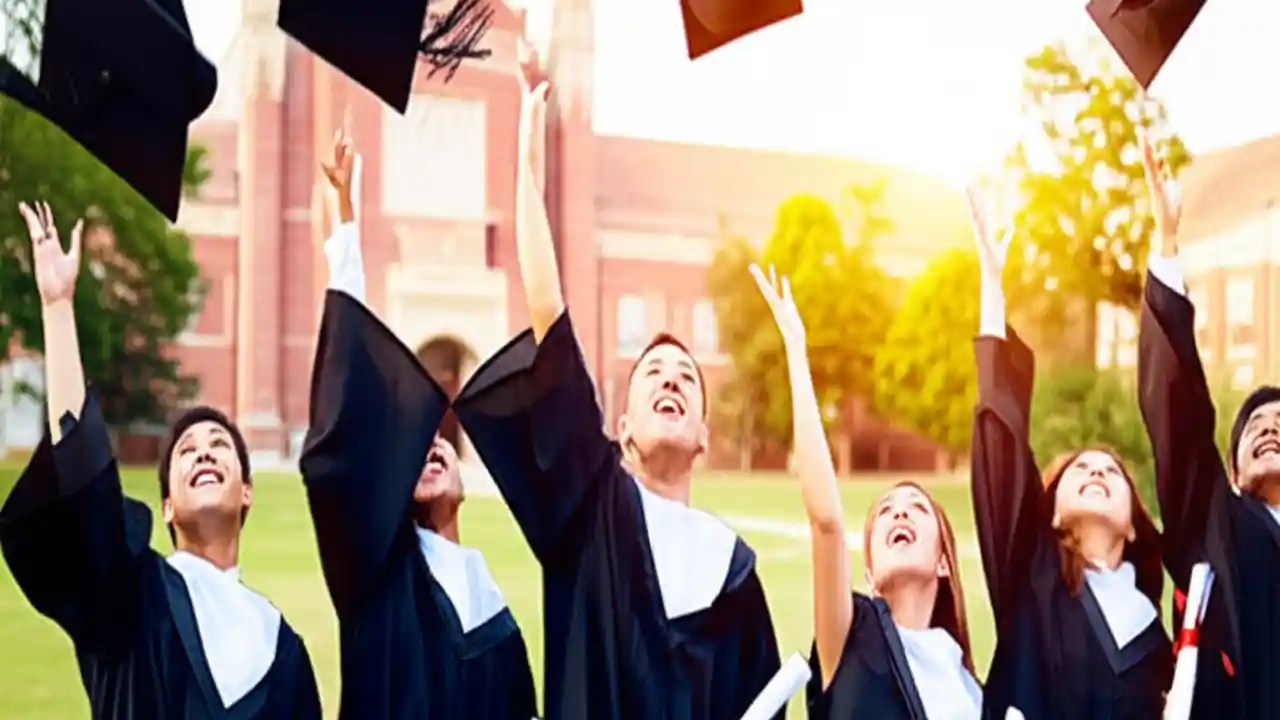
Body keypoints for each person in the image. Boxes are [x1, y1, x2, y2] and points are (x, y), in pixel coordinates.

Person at [450, 55, 782, 719]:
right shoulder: (592, 506)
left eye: (686, 377)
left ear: (705, 436)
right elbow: (548, 312)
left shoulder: (734, 572)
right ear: (621, 428)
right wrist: (528, 165)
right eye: (652, 373)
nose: (671, 378)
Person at [0, 201, 321, 718]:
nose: (204, 452)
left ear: (247, 492)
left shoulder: (284, 651)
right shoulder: (132, 593)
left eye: (219, 445)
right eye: (187, 452)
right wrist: (58, 309)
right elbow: (82, 479)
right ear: (167, 506)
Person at [298, 130, 536, 719]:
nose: (430, 445)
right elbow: (347, 412)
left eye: (440, 442)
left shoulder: (491, 600)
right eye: (417, 445)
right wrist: (346, 231)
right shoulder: (376, 569)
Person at [968, 190, 1172, 719]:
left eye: (1111, 471)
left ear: (1134, 527)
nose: (1097, 469)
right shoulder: (1030, 576)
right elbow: (1000, 452)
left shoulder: (1156, 641)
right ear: (1053, 512)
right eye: (1079, 468)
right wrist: (992, 286)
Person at [750, 265, 980, 719]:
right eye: (886, 512)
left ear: (943, 562)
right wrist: (796, 349)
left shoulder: (973, 692)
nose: (900, 514)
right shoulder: (853, 641)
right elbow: (827, 522)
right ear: (869, 574)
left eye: (917, 508)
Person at [1135, 127, 1278, 719]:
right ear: (1234, 470)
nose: (1270, 428)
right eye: (1256, 424)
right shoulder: (1222, 525)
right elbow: (1180, 420)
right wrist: (1167, 243)